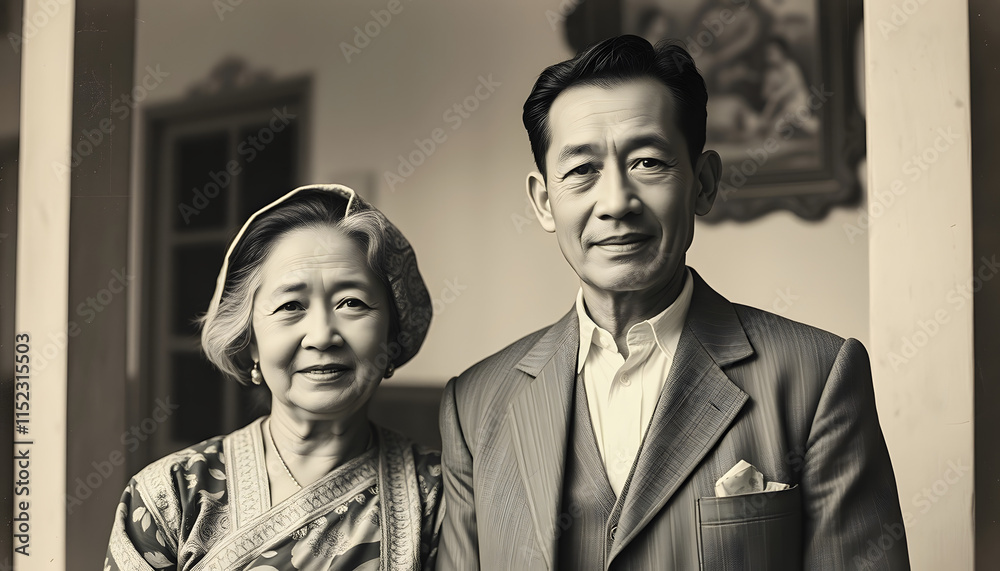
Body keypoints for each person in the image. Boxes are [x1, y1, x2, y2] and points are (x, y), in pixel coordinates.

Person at [438, 36, 908, 570]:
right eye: (581, 170)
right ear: (545, 202)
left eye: (647, 161)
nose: (615, 202)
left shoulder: (817, 376)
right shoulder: (473, 406)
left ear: (703, 183)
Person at [105, 184, 442, 570]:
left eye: (351, 302)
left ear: (391, 336)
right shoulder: (169, 495)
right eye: (290, 305)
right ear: (250, 342)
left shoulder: (437, 496)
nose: (321, 336)